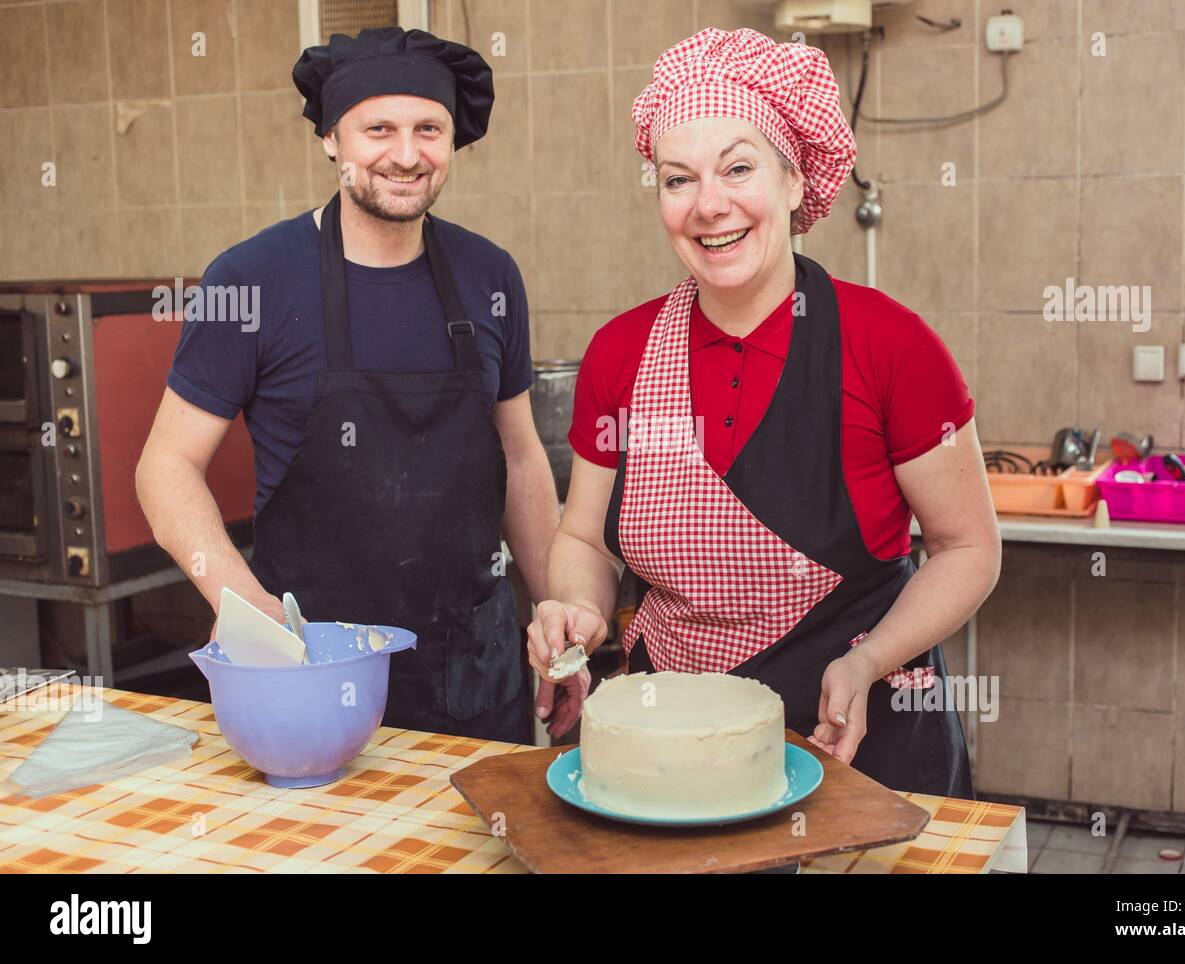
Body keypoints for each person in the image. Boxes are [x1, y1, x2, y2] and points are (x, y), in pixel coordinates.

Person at [526, 28, 1000, 795]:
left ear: (792, 180)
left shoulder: (891, 344)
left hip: (857, 740)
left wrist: (870, 660)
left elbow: (968, 548)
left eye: (738, 168)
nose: (709, 206)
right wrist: (576, 609)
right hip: (673, 748)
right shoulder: (621, 354)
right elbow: (583, 534)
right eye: (678, 180)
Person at [137, 28, 558, 742]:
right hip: (307, 667)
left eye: (429, 129)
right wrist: (240, 598)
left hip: (474, 674)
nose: (405, 153)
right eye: (378, 129)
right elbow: (165, 465)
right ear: (333, 138)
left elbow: (520, 457)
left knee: (478, 855)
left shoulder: (491, 276)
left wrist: (558, 619)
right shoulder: (248, 280)